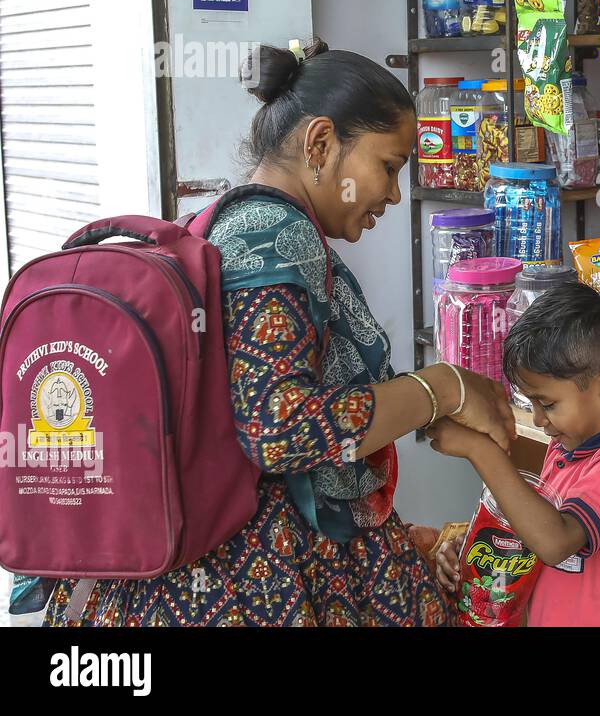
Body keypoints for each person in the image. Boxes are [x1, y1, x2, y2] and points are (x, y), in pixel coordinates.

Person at [35, 39, 515, 626]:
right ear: (319, 143)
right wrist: (440, 387)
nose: (393, 194)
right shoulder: (275, 237)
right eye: (387, 166)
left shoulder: (219, 221)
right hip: (254, 576)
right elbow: (282, 431)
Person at [428, 284, 600, 627]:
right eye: (532, 404)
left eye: (548, 404)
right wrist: (475, 552)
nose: (538, 420)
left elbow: (556, 542)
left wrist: (480, 451)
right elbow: (537, 531)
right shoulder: (569, 446)